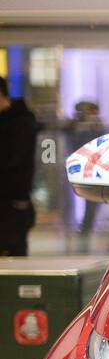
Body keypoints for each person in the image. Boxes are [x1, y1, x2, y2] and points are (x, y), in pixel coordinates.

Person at [0, 75, 38, 256]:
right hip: (11, 203)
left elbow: (14, 163)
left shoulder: (21, 123)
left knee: (14, 258)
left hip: (13, 205)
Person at [65, 100, 107, 249]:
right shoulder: (74, 127)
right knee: (68, 204)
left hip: (93, 171)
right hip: (76, 169)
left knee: (92, 205)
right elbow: (74, 145)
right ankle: (70, 233)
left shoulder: (98, 127)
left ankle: (85, 233)